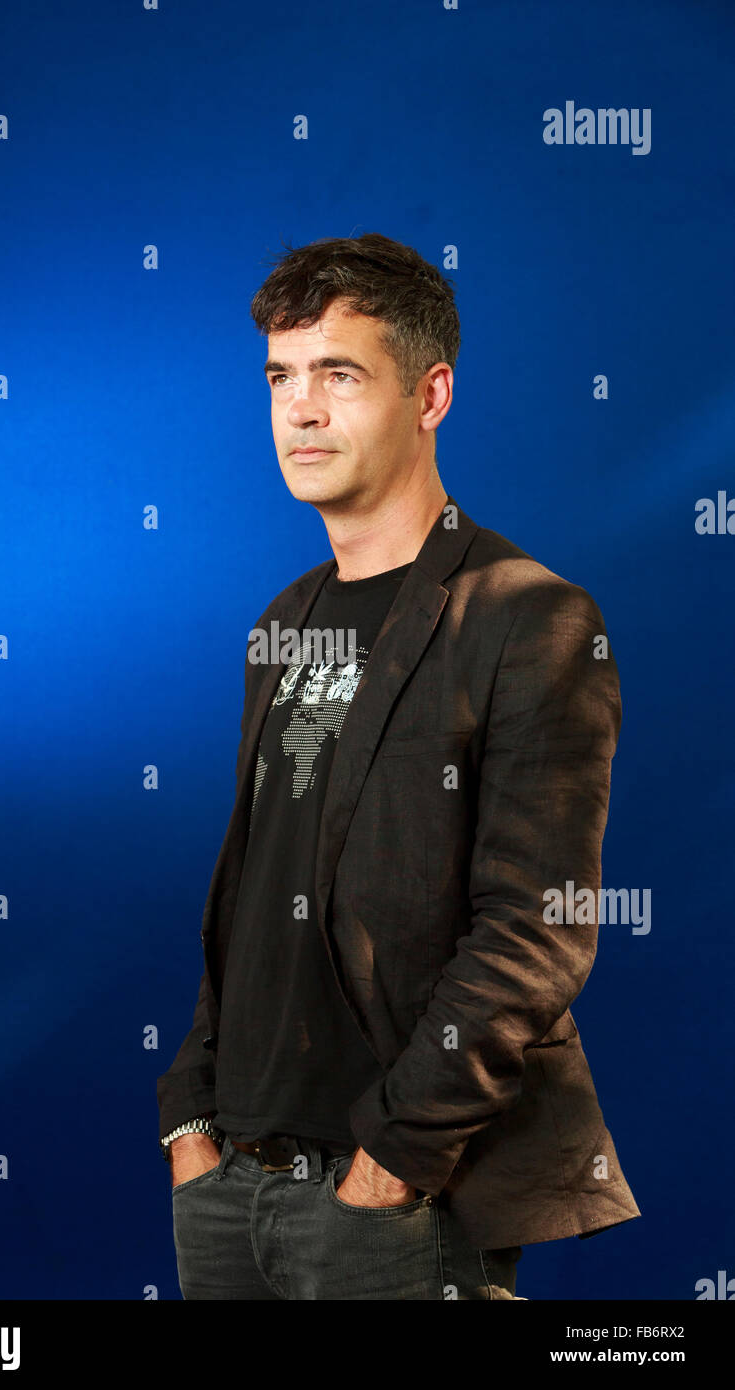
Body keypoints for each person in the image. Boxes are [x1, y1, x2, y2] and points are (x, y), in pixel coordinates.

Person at [155, 231, 640, 1300]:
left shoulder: (530, 619)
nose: (300, 408)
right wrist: (190, 1124)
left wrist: (389, 1168)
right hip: (229, 1185)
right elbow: (253, 894)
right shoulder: (281, 621)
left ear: (429, 395)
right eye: (281, 375)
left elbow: (533, 933)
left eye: (338, 374)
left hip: (392, 1201)